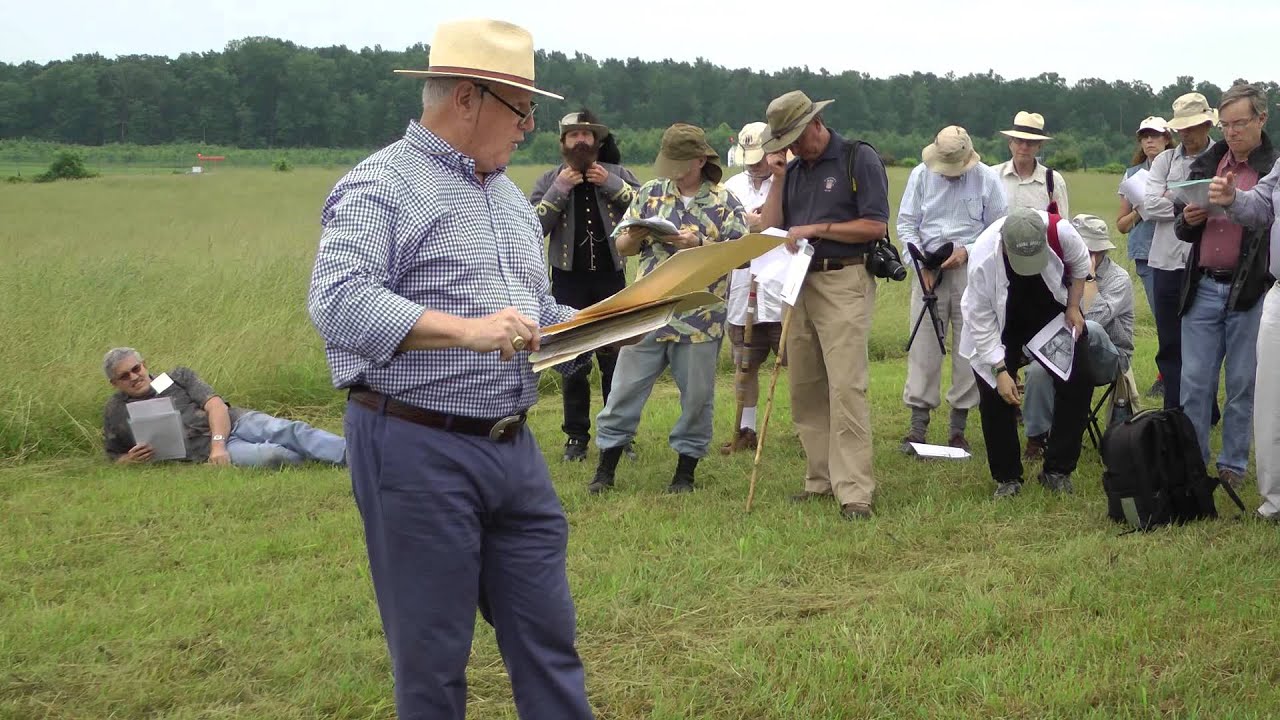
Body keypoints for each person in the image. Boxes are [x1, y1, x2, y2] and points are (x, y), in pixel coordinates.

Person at [306, 19, 594, 719]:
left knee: (549, 640)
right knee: (433, 658)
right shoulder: (382, 185)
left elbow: (533, 312)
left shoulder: (509, 201)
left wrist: (612, 320)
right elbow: (339, 301)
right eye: (521, 108)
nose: (529, 126)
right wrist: (468, 333)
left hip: (513, 450)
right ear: (468, 98)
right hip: (415, 446)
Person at [588, 123, 748, 494]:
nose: (671, 168)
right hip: (647, 313)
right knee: (623, 392)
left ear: (697, 161)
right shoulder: (650, 193)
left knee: (696, 399)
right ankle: (605, 469)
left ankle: (684, 474)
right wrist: (637, 234)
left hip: (699, 319)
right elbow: (623, 248)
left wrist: (700, 242)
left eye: (678, 160)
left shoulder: (725, 202)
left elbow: (741, 258)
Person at [755, 90, 891, 520]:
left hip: (844, 279)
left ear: (816, 124)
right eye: (785, 143)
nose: (793, 148)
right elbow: (772, 225)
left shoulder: (857, 158)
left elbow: (875, 225)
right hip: (800, 284)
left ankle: (854, 492)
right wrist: (778, 176)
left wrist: (817, 227)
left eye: (797, 138)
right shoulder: (793, 170)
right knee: (806, 384)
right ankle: (819, 479)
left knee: (846, 385)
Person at [1172, 83, 1277, 492]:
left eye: (1240, 123)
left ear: (1261, 120)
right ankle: (1193, 463)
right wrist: (1190, 219)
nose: (1231, 132)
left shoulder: (1273, 168)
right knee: (1195, 382)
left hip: (1250, 290)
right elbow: (1183, 228)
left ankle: (1232, 465)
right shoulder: (1209, 162)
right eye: (1225, 124)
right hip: (1202, 286)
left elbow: (1267, 224)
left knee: (1241, 384)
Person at [530, 110, 641, 462]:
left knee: (616, 360)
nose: (581, 140)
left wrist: (610, 183)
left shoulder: (619, 175)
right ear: (563, 143)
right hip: (567, 280)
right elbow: (533, 228)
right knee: (573, 361)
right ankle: (576, 438)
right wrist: (560, 189)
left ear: (597, 141)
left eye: (586, 135)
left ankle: (619, 436)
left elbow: (646, 209)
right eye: (573, 135)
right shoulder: (549, 179)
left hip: (611, 278)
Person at [959, 207, 1093, 499]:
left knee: (1079, 376)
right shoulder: (983, 256)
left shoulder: (1061, 232)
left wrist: (1073, 307)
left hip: (1049, 310)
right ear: (1004, 245)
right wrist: (1000, 369)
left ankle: (1057, 470)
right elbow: (981, 321)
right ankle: (1007, 477)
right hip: (1000, 319)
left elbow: (1081, 265)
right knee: (995, 393)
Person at [897, 125, 1007, 453]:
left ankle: (958, 428)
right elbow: (906, 224)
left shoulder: (987, 179)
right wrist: (919, 266)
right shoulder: (920, 176)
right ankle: (918, 427)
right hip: (927, 270)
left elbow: (999, 228)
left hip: (971, 273)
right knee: (924, 349)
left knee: (968, 348)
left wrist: (968, 252)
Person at [102, 347, 346, 467]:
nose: (134, 377)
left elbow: (216, 405)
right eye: (125, 376)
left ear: (144, 365)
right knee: (274, 455)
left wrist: (219, 443)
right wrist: (131, 459)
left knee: (290, 430)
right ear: (115, 383)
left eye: (136, 369)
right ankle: (317, 459)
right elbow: (115, 456)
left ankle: (354, 457)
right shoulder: (116, 411)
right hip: (206, 452)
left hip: (235, 422)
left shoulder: (176, 376)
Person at [1022, 215, 1135, 459]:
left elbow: (1091, 319)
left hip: (1108, 356)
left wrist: (1088, 277)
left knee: (1091, 327)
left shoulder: (1119, 279)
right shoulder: (1057, 273)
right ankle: (1037, 439)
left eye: (1091, 250)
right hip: (1062, 352)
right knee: (1037, 371)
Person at [1209, 145, 1280, 521]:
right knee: (1269, 403)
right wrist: (1234, 197)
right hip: (1279, 292)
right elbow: (1262, 205)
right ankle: (1274, 503)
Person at [1145, 92, 1216, 412]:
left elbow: (1229, 203)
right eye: (1181, 127)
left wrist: (1173, 197)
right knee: (1170, 341)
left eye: (1192, 126)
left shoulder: (1222, 157)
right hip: (1166, 262)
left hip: (1207, 262)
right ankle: (1174, 408)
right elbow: (1148, 204)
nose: (1185, 133)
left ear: (1206, 123)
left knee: (1206, 342)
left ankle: (1205, 406)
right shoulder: (1164, 160)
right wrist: (1194, 204)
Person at [720, 121, 786, 454]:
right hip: (742, 289)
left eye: (760, 156)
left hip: (783, 290)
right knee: (745, 365)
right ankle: (746, 429)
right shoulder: (731, 186)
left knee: (798, 363)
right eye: (749, 157)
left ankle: (813, 428)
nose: (754, 164)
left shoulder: (790, 179)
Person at [1116, 116, 1175, 397]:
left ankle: (1179, 373)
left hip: (1178, 251)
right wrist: (1143, 209)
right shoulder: (1132, 174)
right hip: (1146, 255)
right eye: (1144, 136)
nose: (1150, 140)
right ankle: (1166, 375)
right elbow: (1121, 225)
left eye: (1155, 135)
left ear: (1167, 138)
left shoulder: (1178, 168)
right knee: (1163, 318)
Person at [992, 111, 1070, 218]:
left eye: (1031, 142)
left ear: (1039, 146)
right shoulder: (993, 176)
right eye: (1019, 140)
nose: (1024, 147)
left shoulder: (1053, 181)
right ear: (1010, 143)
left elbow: (1061, 226)